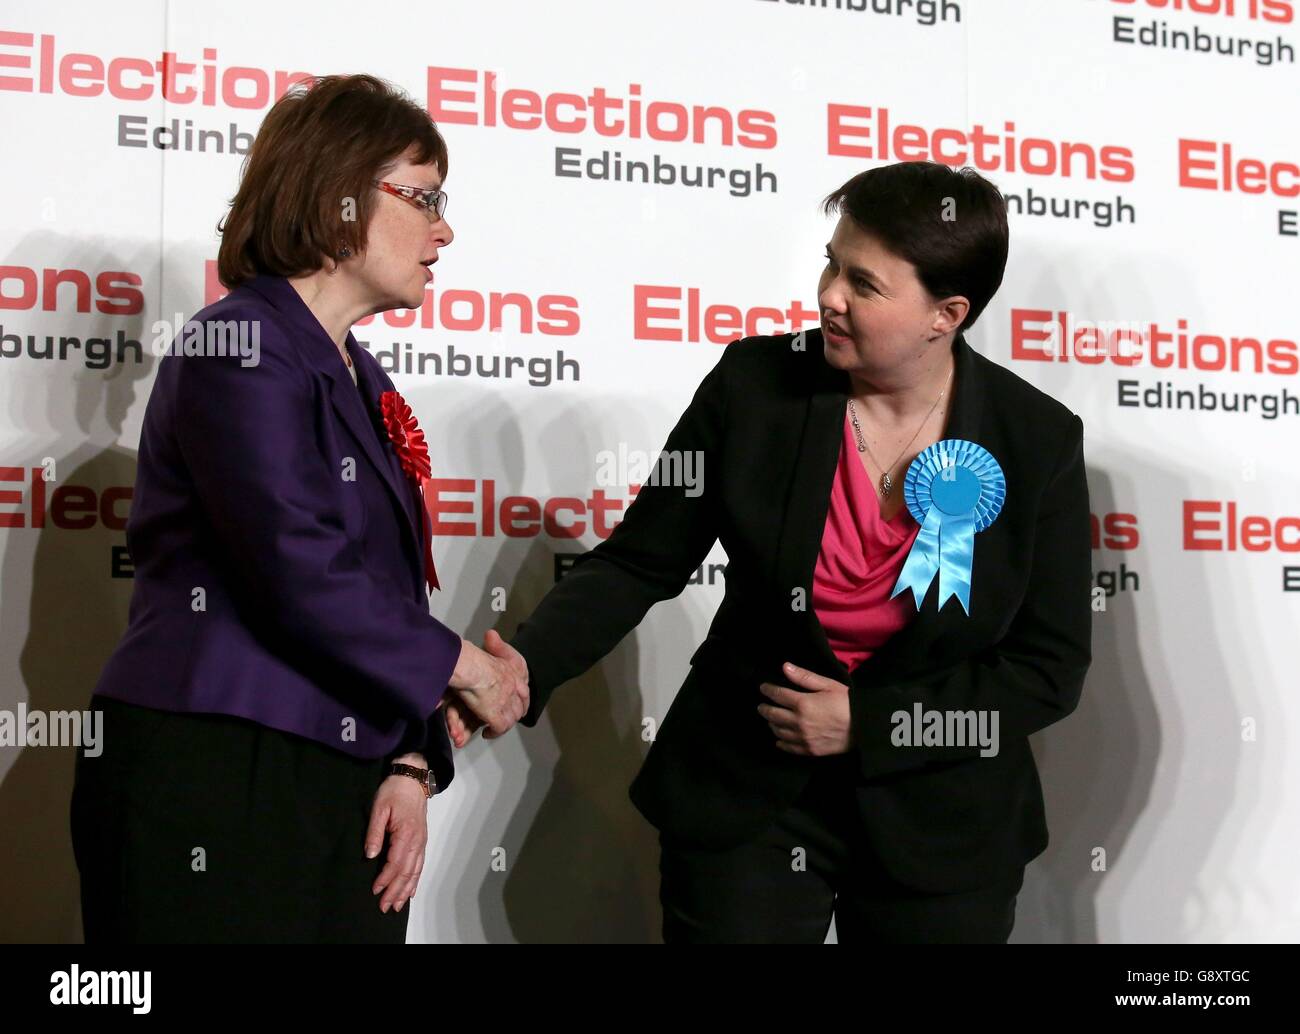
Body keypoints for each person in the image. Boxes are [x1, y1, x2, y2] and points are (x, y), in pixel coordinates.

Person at [448, 161, 1092, 943]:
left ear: (945, 314)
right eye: (831, 262)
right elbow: (640, 560)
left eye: (865, 283)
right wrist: (527, 665)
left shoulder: (1037, 441)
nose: (829, 294)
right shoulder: (756, 385)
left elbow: (1046, 670)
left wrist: (875, 725)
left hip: (942, 822)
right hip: (747, 795)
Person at [70, 74, 528, 944]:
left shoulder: (362, 375)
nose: (446, 228)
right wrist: (466, 668)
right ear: (340, 198)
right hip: (215, 768)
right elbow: (298, 569)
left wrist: (410, 757)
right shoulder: (236, 344)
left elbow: (380, 591)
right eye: (423, 197)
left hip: (337, 783)